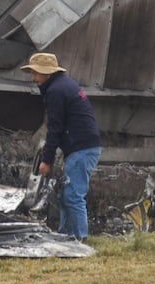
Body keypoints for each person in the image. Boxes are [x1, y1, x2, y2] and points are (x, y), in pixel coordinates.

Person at [22, 52, 102, 241]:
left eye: (36, 73)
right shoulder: (66, 85)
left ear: (47, 73)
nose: (33, 78)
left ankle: (80, 239)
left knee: (73, 196)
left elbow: (55, 128)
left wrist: (47, 160)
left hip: (81, 149)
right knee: (66, 195)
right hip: (84, 147)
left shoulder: (56, 91)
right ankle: (66, 236)